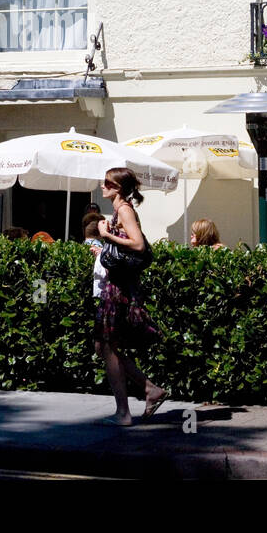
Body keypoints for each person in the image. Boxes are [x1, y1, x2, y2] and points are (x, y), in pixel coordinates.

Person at [94, 167, 167, 426]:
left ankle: (124, 412)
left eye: (106, 183)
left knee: (106, 346)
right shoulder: (117, 210)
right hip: (117, 285)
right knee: (104, 346)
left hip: (120, 289)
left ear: (118, 188)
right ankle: (149, 389)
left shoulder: (124, 209)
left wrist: (106, 235)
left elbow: (138, 244)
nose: (102, 186)